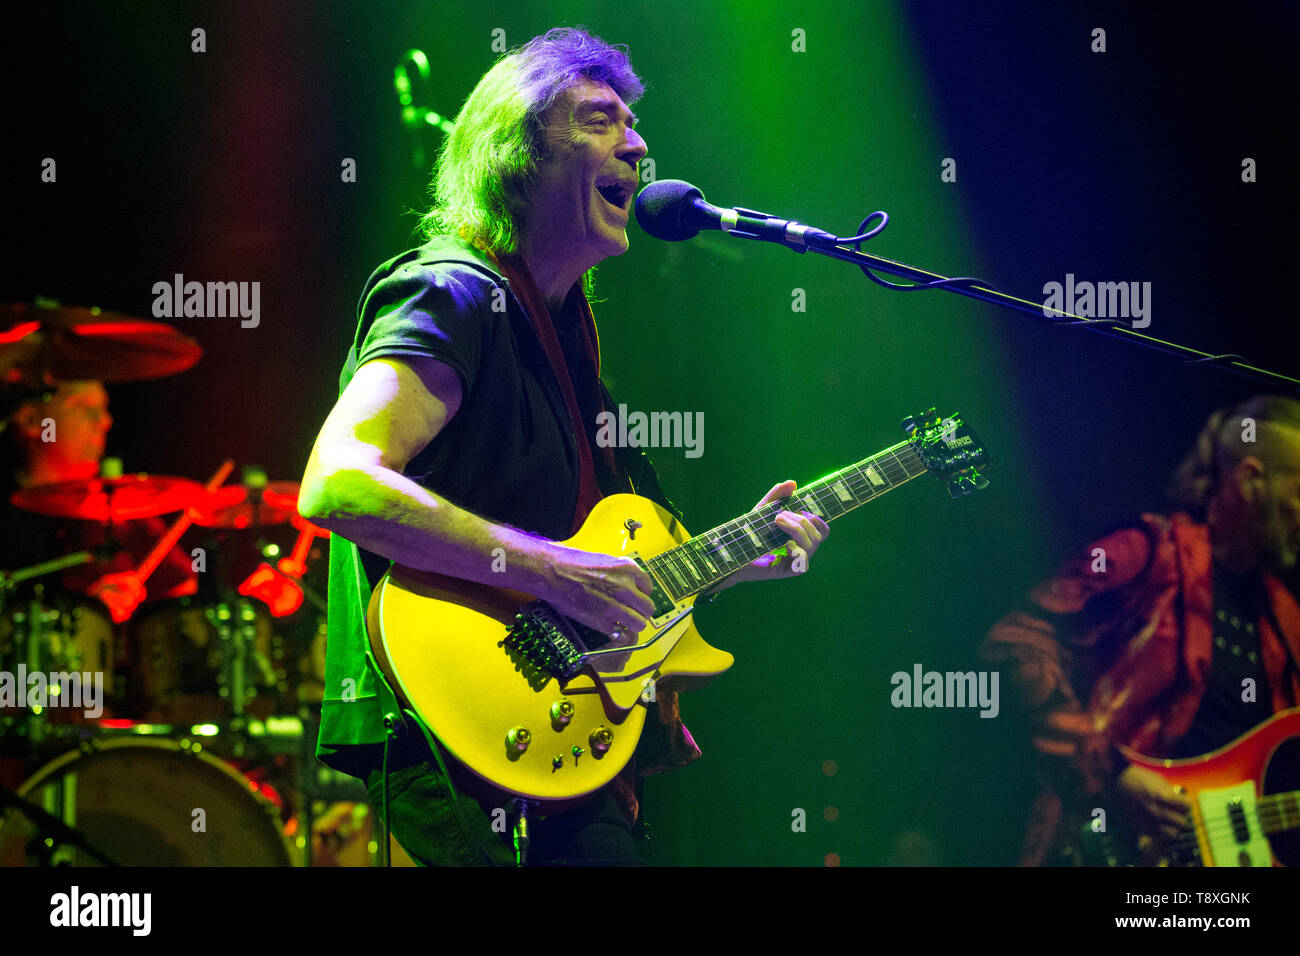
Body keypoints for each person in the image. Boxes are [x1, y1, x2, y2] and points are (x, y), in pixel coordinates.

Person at [298, 27, 829, 866]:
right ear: (518, 151)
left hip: (556, 728)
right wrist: (550, 570)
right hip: (448, 723)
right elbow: (338, 485)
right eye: (600, 120)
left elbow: (602, 570)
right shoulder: (451, 290)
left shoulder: (567, 333)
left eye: (634, 123)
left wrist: (741, 558)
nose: (639, 143)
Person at [981, 394, 1300, 865]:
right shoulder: (1148, 553)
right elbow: (1013, 644)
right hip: (1099, 844)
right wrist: (1112, 772)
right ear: (1252, 480)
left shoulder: (1286, 618)